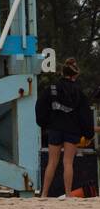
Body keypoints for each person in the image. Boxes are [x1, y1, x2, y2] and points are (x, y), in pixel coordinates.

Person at [36, 57, 94, 198]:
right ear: (75, 75)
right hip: (72, 131)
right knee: (68, 162)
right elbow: (85, 114)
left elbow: (40, 106)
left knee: (52, 162)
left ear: (62, 72)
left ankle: (44, 194)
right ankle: (68, 194)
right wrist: (88, 134)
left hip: (55, 129)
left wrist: (45, 124)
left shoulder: (52, 88)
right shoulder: (79, 92)